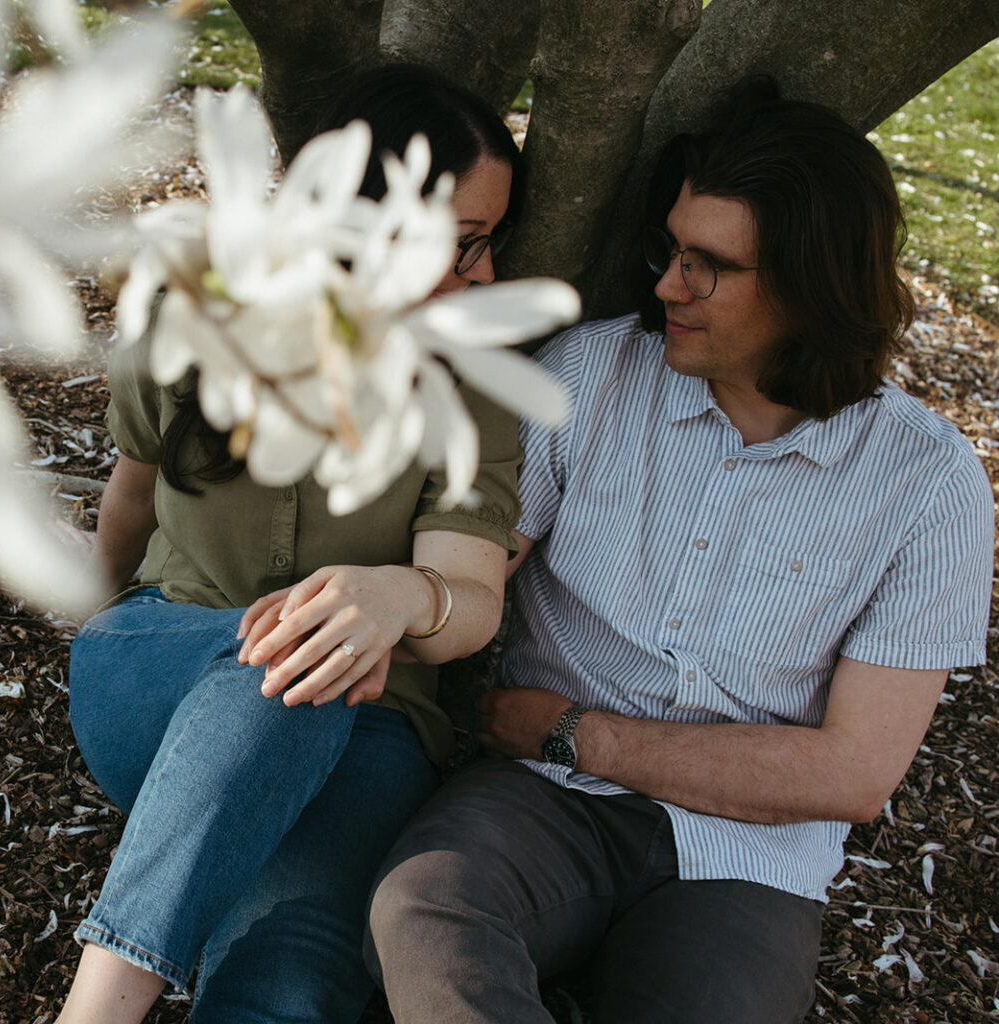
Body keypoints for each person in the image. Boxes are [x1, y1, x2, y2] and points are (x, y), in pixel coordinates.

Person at [365, 77, 994, 1023]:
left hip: (747, 852)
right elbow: (473, 569)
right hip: (542, 800)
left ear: (810, 284)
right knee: (421, 912)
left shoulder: (927, 485)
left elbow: (853, 774)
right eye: (670, 250)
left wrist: (580, 731)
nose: (666, 286)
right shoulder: (588, 376)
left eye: (709, 266)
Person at [56, 65, 526, 1024]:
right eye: (464, 245)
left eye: (491, 245)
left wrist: (402, 597)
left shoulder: (472, 388)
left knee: (291, 983)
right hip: (164, 666)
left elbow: (471, 598)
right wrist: (87, 619)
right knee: (289, 665)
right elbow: (131, 501)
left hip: (373, 728)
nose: (484, 275)